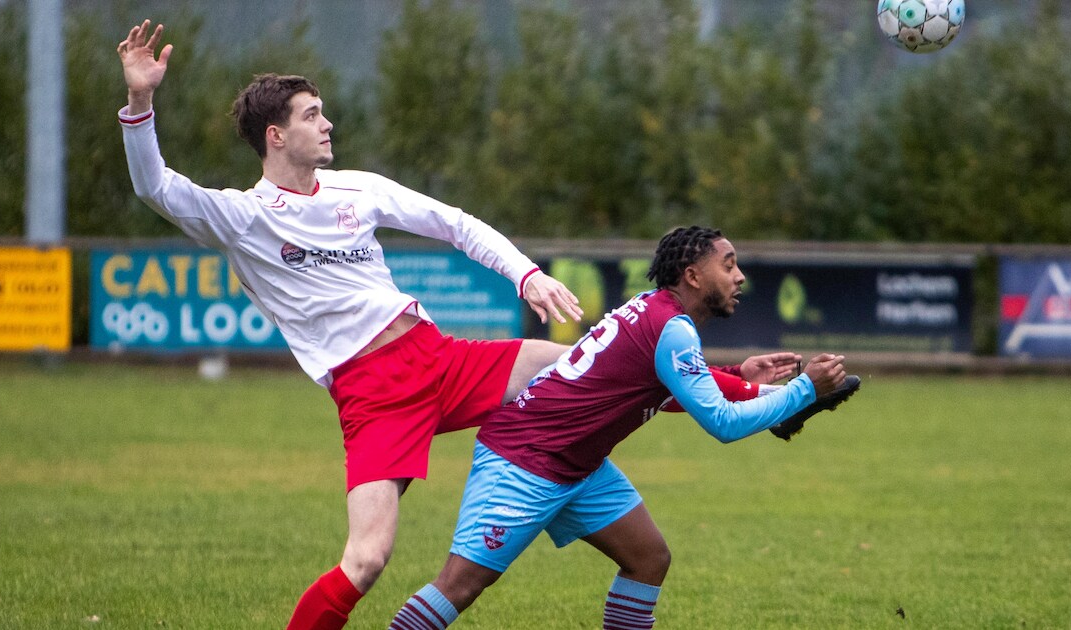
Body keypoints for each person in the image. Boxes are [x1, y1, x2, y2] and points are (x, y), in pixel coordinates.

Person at [116, 21, 586, 629]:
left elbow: (454, 223)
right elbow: (155, 187)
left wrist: (526, 276)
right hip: (373, 394)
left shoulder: (357, 189)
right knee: (366, 561)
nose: (328, 123)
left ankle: (734, 385)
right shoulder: (242, 216)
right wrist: (140, 101)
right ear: (277, 135)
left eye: (324, 113)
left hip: (436, 357)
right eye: (313, 115)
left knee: (579, 363)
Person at [387, 226, 859, 629]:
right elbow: (721, 423)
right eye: (729, 265)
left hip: (577, 465)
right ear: (693, 276)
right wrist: (803, 393)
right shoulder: (670, 327)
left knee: (648, 559)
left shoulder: (655, 310)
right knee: (461, 586)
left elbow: (669, 390)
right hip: (524, 458)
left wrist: (741, 378)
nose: (739, 277)